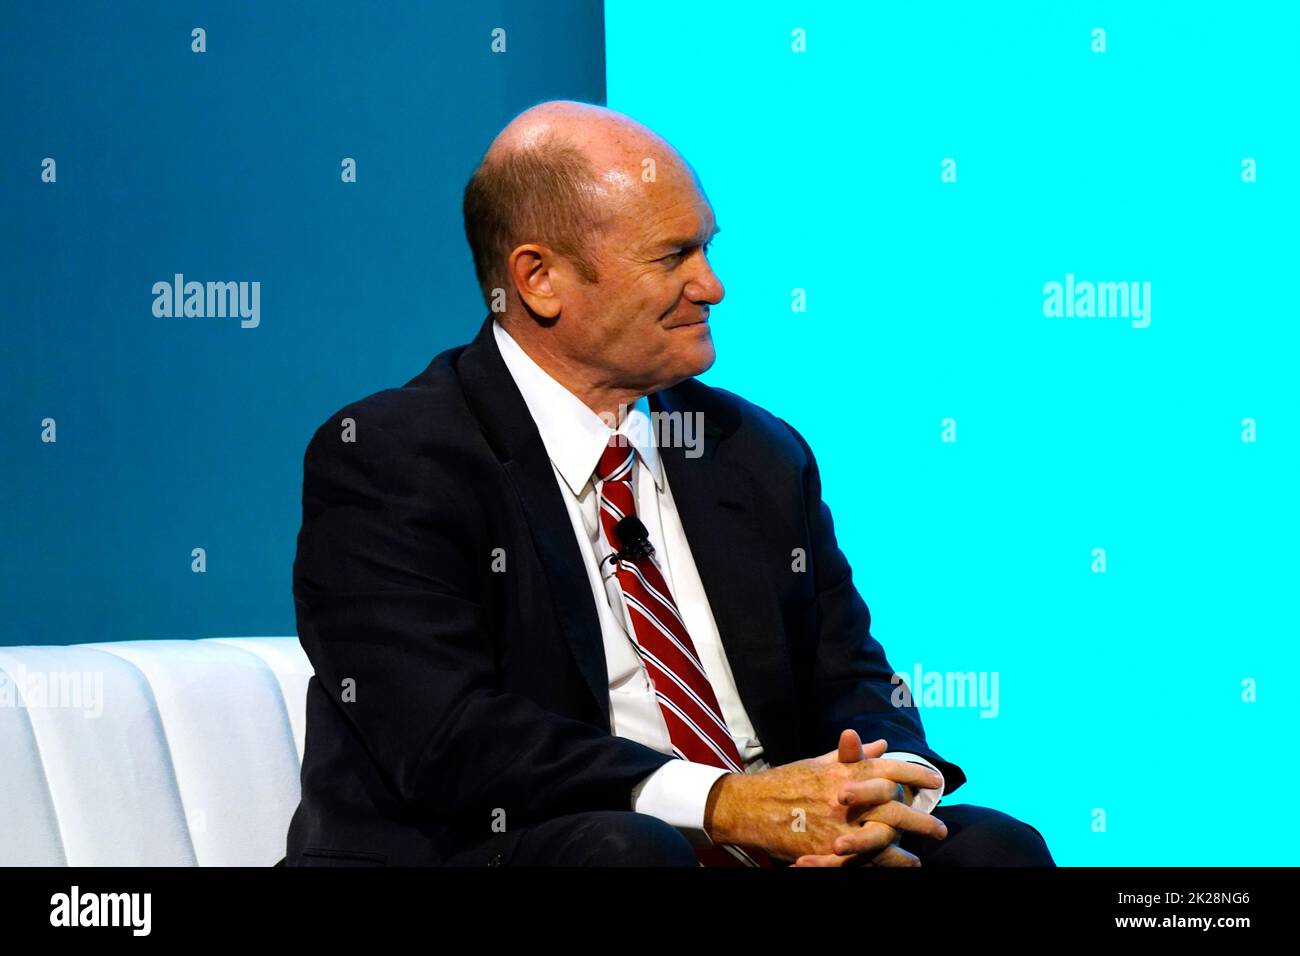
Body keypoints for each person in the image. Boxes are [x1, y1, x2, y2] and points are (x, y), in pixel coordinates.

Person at [283, 100, 1054, 868]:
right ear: (540, 279)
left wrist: (878, 792)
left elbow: (851, 672)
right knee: (627, 856)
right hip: (520, 847)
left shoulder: (752, 451)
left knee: (992, 852)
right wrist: (723, 805)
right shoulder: (393, 459)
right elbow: (447, 737)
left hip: (768, 847)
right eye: (673, 258)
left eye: (708, 251)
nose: (712, 287)